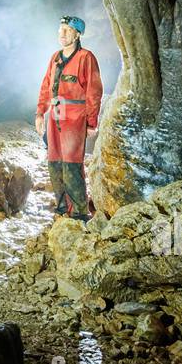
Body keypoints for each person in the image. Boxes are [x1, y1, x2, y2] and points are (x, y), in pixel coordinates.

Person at [35, 15, 103, 222]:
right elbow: (46, 87)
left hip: (74, 117)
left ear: (77, 34)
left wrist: (91, 122)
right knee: (54, 163)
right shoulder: (55, 57)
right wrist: (39, 113)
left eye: (66, 30)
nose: (61, 34)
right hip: (55, 116)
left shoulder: (86, 58)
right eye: (60, 30)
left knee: (72, 165)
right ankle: (62, 207)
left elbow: (94, 91)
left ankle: (79, 212)